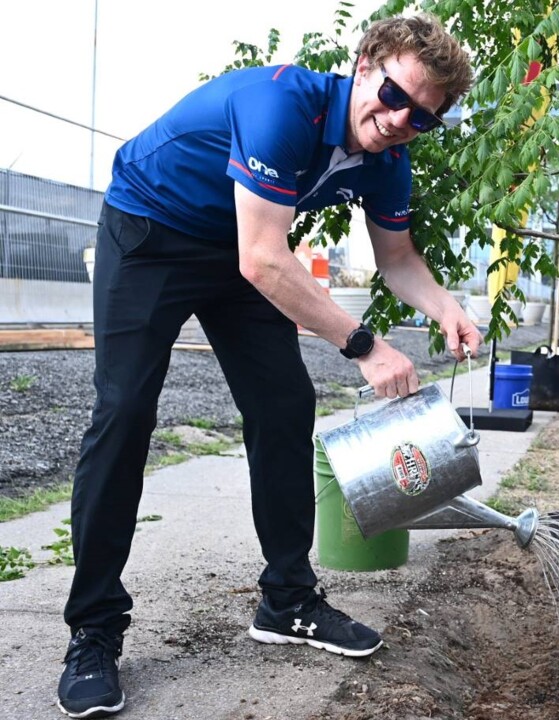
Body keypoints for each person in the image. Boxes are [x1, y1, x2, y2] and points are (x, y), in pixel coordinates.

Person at [57, 15, 482, 719]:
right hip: (150, 233)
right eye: (394, 95)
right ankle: (93, 632)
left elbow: (398, 259)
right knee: (125, 412)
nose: (401, 119)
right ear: (363, 61)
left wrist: (445, 308)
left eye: (423, 118)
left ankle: (287, 601)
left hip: (236, 251)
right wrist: (365, 345)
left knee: (285, 406)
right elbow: (265, 259)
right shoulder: (282, 104)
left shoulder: (388, 157)